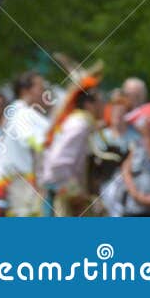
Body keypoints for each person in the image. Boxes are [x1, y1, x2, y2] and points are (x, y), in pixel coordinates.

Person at [0, 71, 50, 216]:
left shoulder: (16, 111)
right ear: (25, 90)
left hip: (9, 181)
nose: (43, 91)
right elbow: (35, 141)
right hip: (13, 185)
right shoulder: (22, 113)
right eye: (40, 87)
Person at [41, 73, 104, 216]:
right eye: (101, 101)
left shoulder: (79, 123)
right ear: (89, 105)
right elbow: (57, 163)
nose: (104, 105)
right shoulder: (79, 125)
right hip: (62, 201)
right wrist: (76, 194)